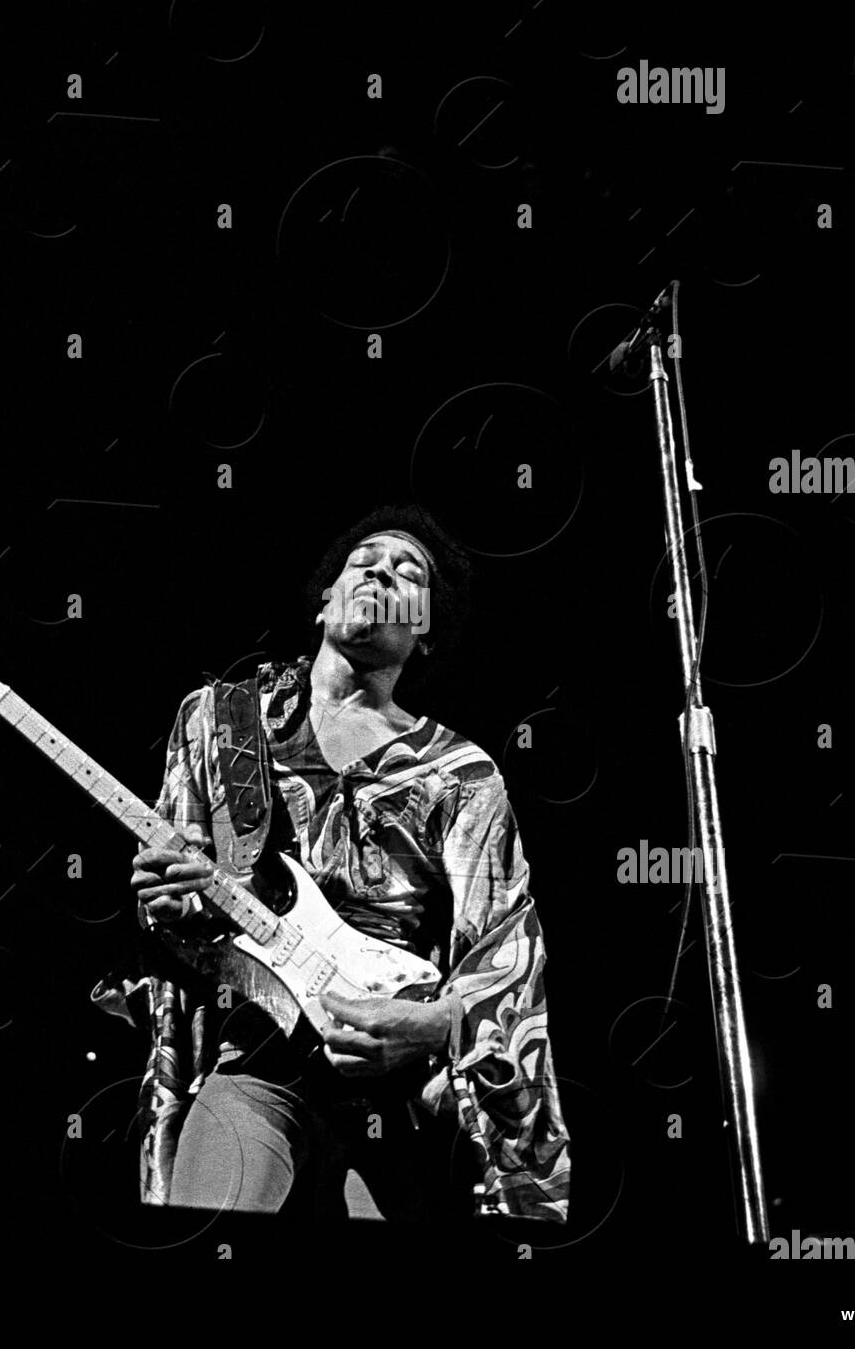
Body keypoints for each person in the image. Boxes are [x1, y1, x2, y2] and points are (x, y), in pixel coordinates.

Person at [91, 504, 571, 1222]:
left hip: (396, 1087)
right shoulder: (220, 721)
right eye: (364, 560)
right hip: (255, 1056)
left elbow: (505, 951)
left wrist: (435, 1025)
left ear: (426, 633)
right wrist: (169, 900)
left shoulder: (460, 774)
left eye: (409, 573)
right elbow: (180, 918)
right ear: (324, 602)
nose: (381, 570)